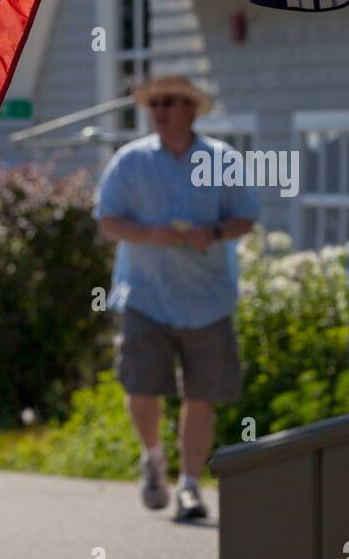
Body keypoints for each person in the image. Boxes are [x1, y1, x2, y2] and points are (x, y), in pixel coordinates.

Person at [95, 75, 258, 522]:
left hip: (207, 298)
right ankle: (152, 458)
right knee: (141, 385)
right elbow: (107, 221)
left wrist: (214, 233)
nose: (160, 110)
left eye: (169, 102)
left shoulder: (221, 159)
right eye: (155, 103)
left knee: (201, 394)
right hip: (145, 295)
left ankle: (189, 486)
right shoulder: (130, 161)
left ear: (190, 109)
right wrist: (151, 234)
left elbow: (246, 217)